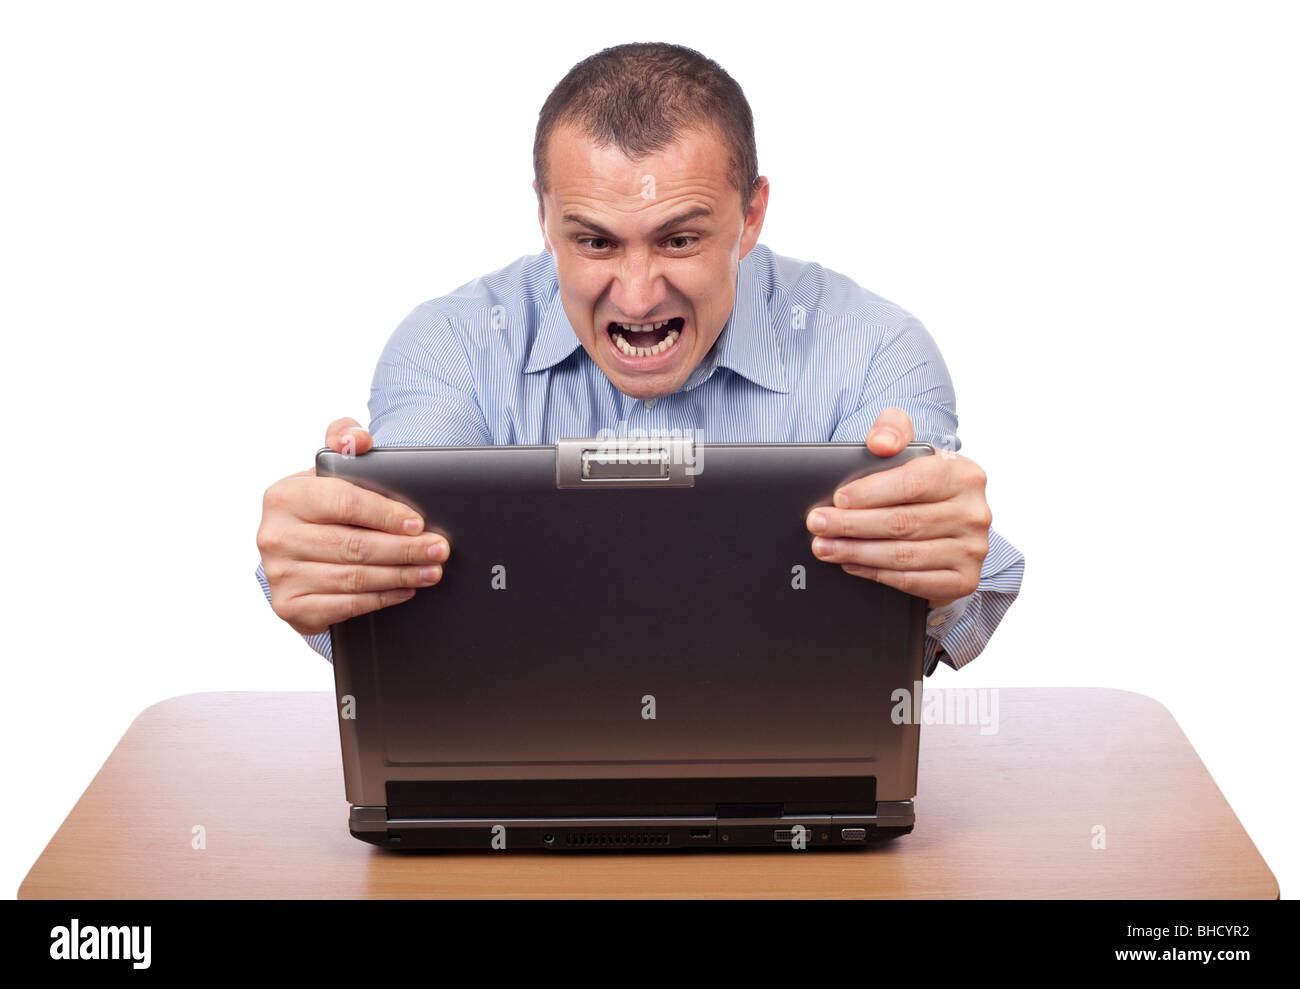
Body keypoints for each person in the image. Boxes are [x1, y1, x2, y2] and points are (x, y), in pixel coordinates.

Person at [254, 42, 1024, 675]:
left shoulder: (875, 352)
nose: (638, 293)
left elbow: (939, 606)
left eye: (679, 238)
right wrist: (340, 556)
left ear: (751, 216)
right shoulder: (450, 347)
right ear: (544, 218)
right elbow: (402, 565)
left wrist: (939, 568)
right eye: (594, 241)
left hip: (788, 803)